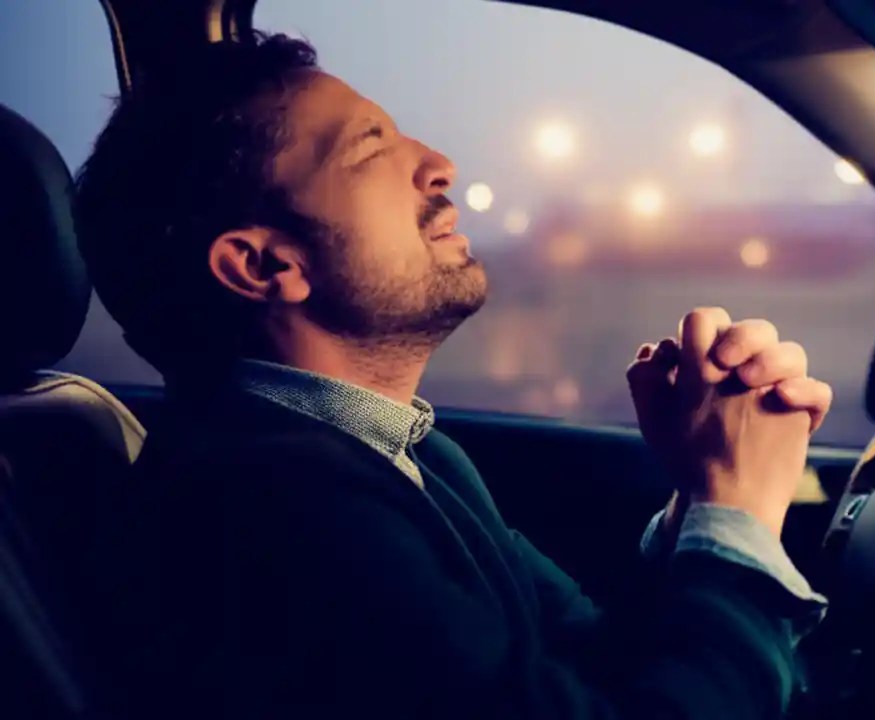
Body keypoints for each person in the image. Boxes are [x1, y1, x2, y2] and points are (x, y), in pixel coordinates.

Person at [75, 32, 833, 720]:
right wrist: (739, 511)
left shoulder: (401, 453)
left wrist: (701, 496)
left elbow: (590, 664)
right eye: (371, 151)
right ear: (265, 264)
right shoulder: (268, 509)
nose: (439, 165)